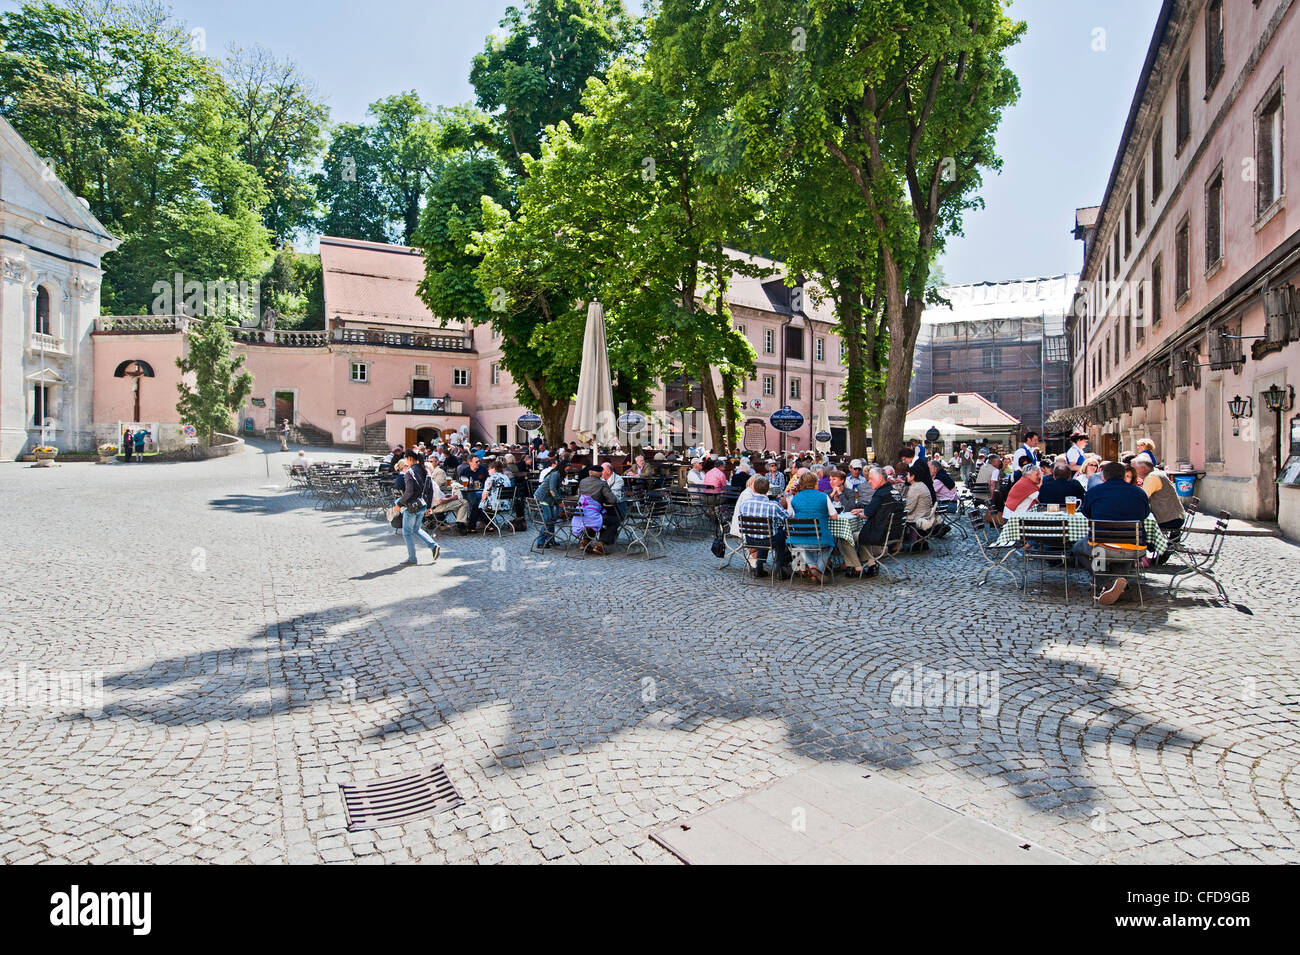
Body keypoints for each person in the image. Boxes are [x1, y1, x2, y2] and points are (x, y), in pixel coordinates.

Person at [1073, 461, 1151, 604]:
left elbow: (1086, 513)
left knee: (1078, 548)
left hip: (1102, 546)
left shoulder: (1094, 492)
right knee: (1121, 547)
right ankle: (1117, 582)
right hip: (1134, 548)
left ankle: (1105, 581)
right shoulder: (1139, 492)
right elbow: (1145, 514)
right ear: (1124, 476)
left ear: (1103, 477)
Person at [737, 477, 793, 579]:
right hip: (769, 540)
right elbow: (787, 518)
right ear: (768, 490)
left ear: (754, 488)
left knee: (766, 533)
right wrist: (788, 503)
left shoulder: (745, 504)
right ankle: (780, 568)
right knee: (780, 534)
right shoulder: (773, 505)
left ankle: (759, 566)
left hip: (750, 540)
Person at [846, 466, 895, 578]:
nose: (869, 481)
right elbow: (879, 509)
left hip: (879, 534)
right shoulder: (893, 491)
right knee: (862, 533)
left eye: (871, 479)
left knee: (847, 536)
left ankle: (856, 567)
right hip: (893, 532)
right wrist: (863, 510)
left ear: (881, 478)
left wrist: (859, 513)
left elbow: (866, 515)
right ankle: (871, 564)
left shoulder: (880, 494)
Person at [785, 472, 836, 580]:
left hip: (798, 539)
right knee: (829, 545)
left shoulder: (795, 498)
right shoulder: (823, 496)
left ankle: (812, 566)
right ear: (815, 483)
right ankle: (818, 569)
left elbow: (789, 515)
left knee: (802, 547)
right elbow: (834, 516)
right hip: (820, 539)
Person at [1134, 457, 1185, 562]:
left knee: (1137, 527)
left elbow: (1142, 498)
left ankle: (1144, 552)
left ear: (1143, 468)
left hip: (1169, 518)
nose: (1133, 470)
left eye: (1134, 468)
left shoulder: (1152, 477)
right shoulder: (1157, 474)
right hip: (1175, 515)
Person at [395, 456, 441, 565]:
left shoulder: (410, 472)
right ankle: (433, 545)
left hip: (411, 506)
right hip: (422, 505)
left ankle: (412, 558)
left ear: (410, 459)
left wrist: (399, 504)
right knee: (416, 528)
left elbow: (409, 492)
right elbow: (430, 491)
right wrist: (429, 507)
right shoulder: (425, 471)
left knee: (407, 532)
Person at [575, 464, 621, 554]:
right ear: (600, 474)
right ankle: (601, 543)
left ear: (590, 473)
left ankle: (585, 541)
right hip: (593, 515)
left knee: (594, 520)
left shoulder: (582, 482)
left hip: (581, 515)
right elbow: (612, 500)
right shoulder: (602, 484)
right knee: (615, 521)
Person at [903, 465, 939, 547]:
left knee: (895, 519)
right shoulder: (922, 485)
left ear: (913, 476)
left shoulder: (915, 488)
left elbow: (909, 509)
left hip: (918, 517)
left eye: (908, 475)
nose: (906, 477)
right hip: (925, 515)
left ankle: (897, 544)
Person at [533, 457, 564, 548]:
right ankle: (540, 541)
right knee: (548, 519)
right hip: (544, 498)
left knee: (552, 518)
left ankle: (550, 539)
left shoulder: (555, 474)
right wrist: (559, 501)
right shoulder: (555, 474)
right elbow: (552, 490)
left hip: (548, 499)